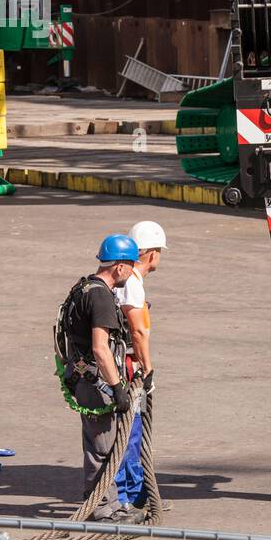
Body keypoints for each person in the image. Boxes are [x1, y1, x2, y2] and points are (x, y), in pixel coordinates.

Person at [56, 234, 140, 521]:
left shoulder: (82, 288)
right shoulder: (101, 296)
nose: (131, 273)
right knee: (102, 448)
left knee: (99, 443)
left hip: (81, 377)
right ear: (119, 266)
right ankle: (103, 510)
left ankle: (110, 504)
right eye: (130, 266)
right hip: (96, 381)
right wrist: (117, 387)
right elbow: (100, 348)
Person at [112, 220, 167, 519]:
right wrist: (148, 370)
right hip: (130, 369)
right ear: (152, 254)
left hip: (125, 366)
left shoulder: (128, 281)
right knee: (130, 433)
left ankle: (135, 494)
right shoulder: (132, 284)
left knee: (130, 431)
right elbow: (138, 333)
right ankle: (127, 498)